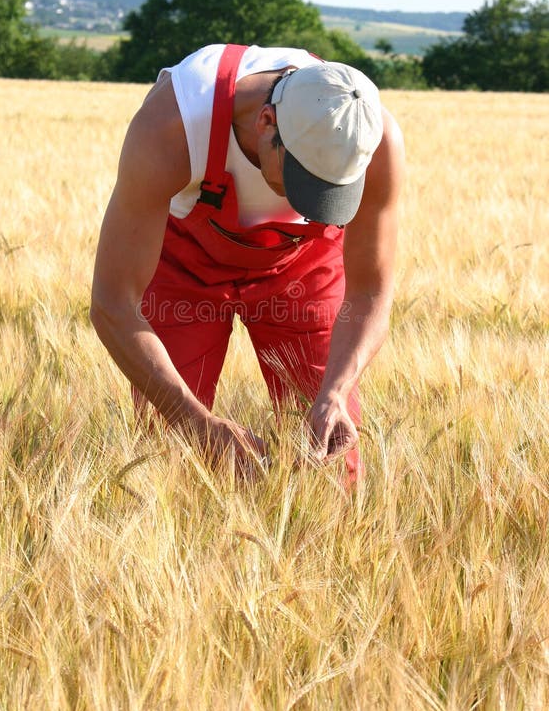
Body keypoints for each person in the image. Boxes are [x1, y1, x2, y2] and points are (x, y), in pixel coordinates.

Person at [90, 44, 404, 481]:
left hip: (304, 269)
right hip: (185, 265)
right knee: (168, 453)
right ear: (266, 122)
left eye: (329, 194)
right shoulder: (174, 124)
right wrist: (197, 424)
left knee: (333, 462)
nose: (309, 205)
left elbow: (370, 290)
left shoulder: (373, 137)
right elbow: (112, 303)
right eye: (302, 181)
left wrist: (336, 391)